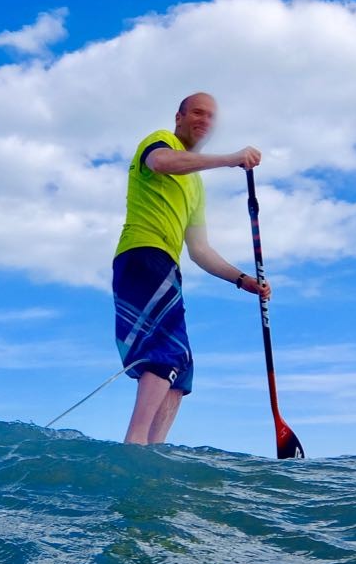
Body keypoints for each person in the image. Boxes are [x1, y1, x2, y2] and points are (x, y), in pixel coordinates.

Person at [113, 91, 270, 445]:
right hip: (143, 253)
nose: (205, 120)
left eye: (211, 116)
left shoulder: (195, 184)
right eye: (197, 112)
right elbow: (161, 163)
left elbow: (199, 250)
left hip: (168, 263)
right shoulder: (160, 141)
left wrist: (243, 280)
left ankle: (155, 451)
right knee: (165, 353)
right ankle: (134, 445)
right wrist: (231, 159)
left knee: (181, 369)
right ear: (179, 116)